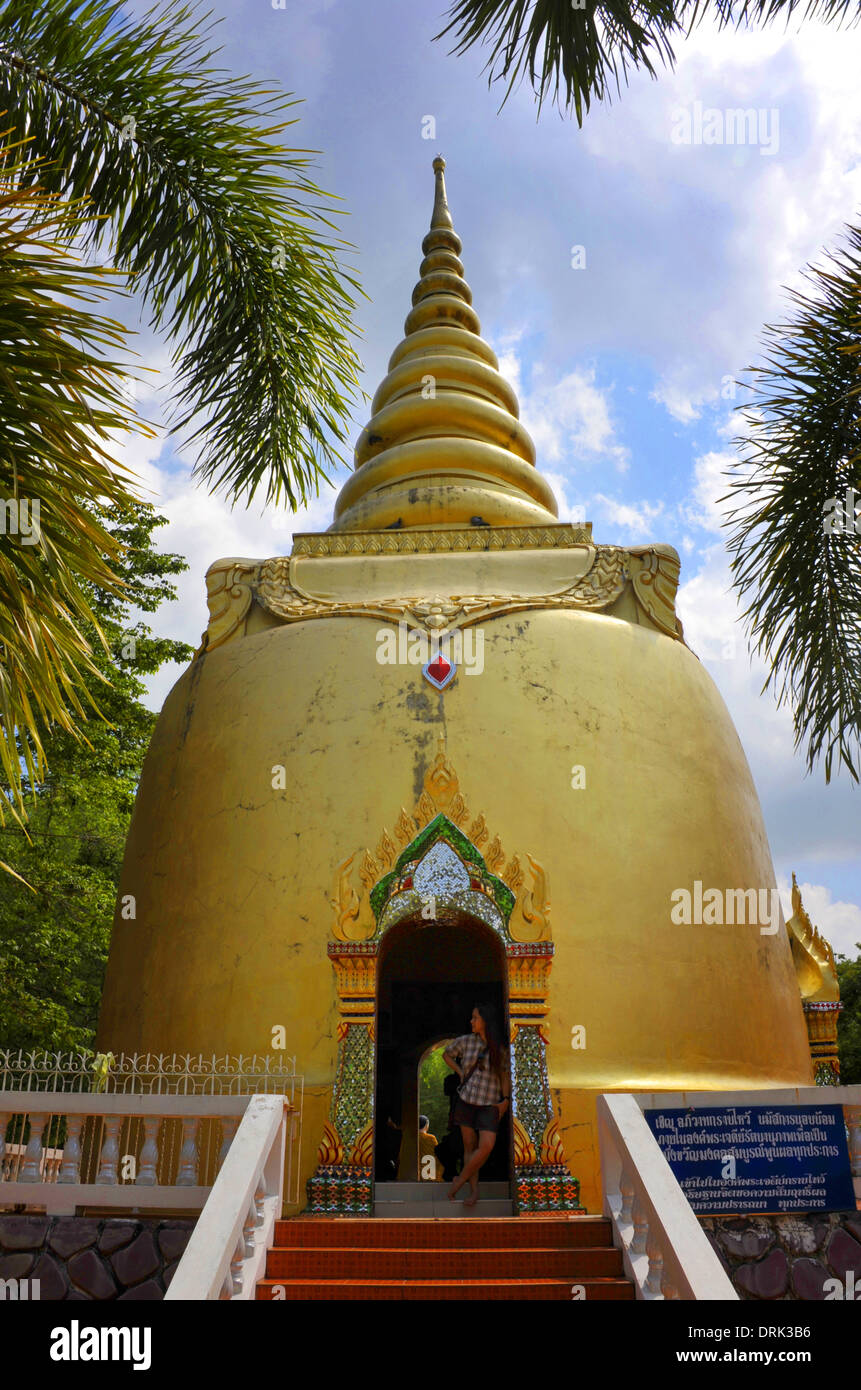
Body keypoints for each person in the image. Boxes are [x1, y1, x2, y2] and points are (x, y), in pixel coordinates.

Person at [443, 1003, 510, 1208]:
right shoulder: (465, 1042)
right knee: (469, 1147)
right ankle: (473, 1191)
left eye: (475, 1018)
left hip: (490, 1103)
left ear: (485, 1021)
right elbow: (446, 1054)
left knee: (486, 1146)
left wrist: (505, 1101)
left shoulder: (499, 1048)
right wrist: (460, 1072)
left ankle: (460, 1181)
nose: (471, 1022)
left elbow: (504, 1075)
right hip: (467, 1100)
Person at [417, 1114, 443, 1181]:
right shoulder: (431, 1138)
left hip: (416, 1172)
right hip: (429, 1173)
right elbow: (437, 1154)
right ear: (426, 1125)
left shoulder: (413, 1138)